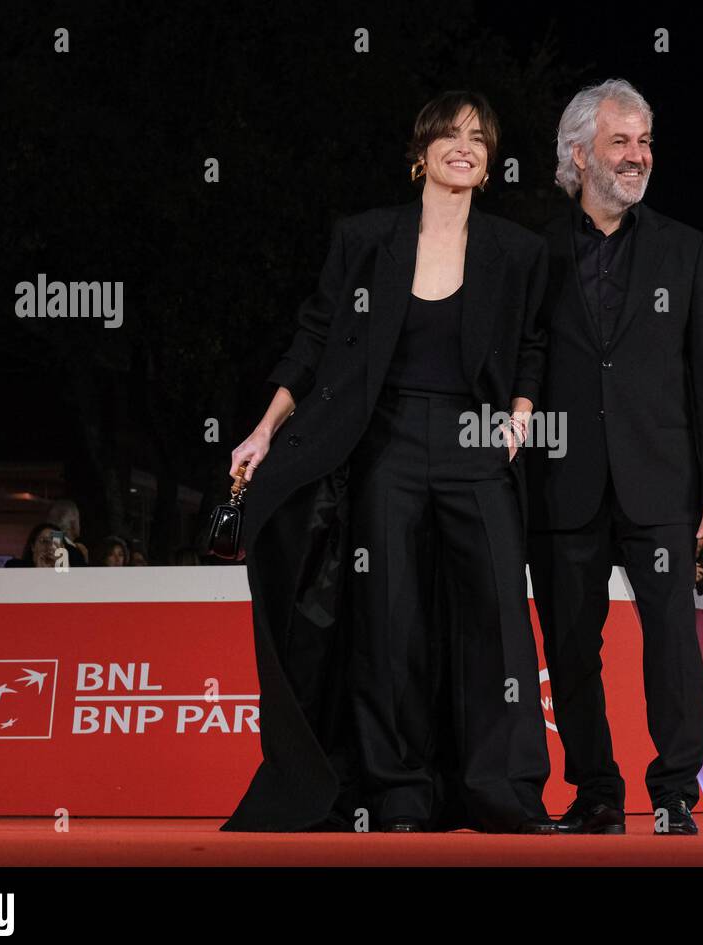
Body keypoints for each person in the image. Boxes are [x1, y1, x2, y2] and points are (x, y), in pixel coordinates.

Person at [222, 90, 555, 835]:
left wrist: (521, 419)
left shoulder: (519, 250)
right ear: (422, 151)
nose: (464, 145)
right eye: (449, 133)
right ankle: (399, 794)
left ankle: (505, 793)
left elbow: (533, 345)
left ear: (490, 159)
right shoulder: (366, 238)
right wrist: (265, 429)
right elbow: (314, 338)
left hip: (477, 441)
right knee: (389, 619)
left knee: (499, 616)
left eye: (478, 136)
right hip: (385, 441)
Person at [524, 79, 703, 836]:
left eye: (645, 141)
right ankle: (595, 793)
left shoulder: (688, 251)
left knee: (673, 642)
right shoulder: (532, 254)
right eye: (622, 141)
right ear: (579, 152)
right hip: (561, 485)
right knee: (570, 650)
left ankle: (676, 789)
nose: (637, 155)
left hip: (661, 486)